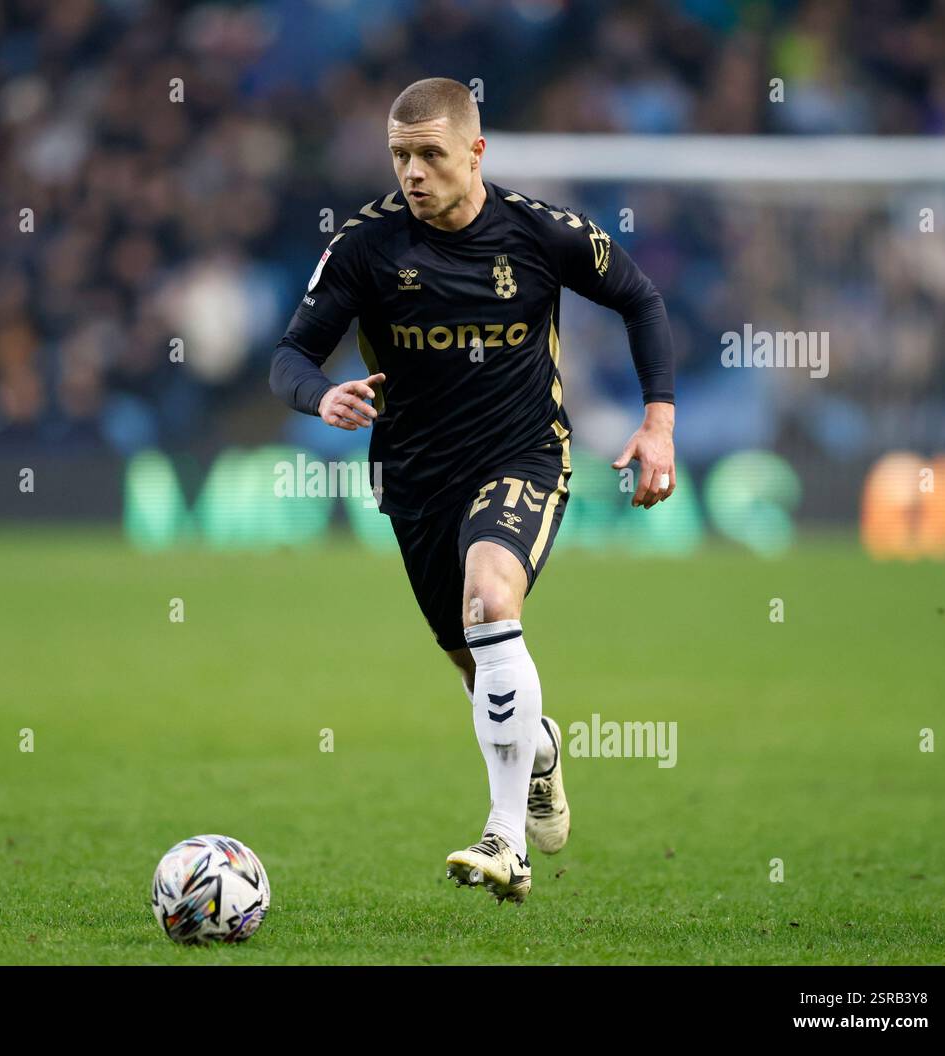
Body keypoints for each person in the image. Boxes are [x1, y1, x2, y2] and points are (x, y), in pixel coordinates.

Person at [270, 78, 677, 903]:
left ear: (476, 152)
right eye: (399, 156)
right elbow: (289, 357)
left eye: (430, 154)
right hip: (416, 479)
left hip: (523, 454)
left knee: (491, 602)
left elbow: (639, 297)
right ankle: (541, 749)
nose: (412, 173)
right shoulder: (364, 247)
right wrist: (322, 395)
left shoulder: (540, 233)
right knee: (473, 660)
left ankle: (505, 840)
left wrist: (658, 423)